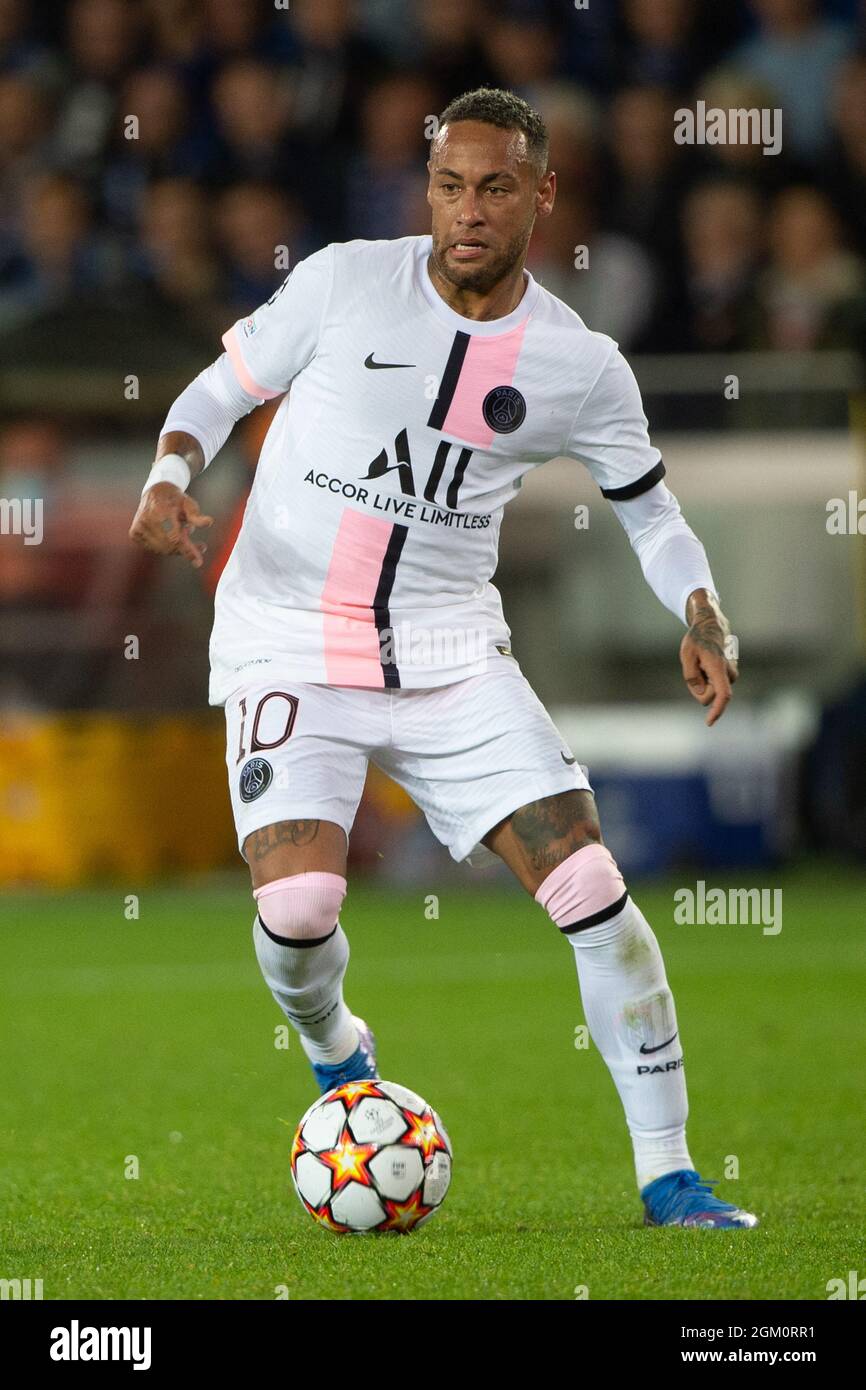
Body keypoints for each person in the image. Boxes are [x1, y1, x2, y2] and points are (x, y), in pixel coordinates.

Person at [128, 87, 755, 1230]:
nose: (467, 210)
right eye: (449, 185)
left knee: (594, 894)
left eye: (495, 187)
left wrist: (701, 609)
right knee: (303, 905)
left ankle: (669, 1175)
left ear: (541, 193)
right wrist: (169, 476)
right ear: (427, 189)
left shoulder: (580, 363)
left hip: (453, 652)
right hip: (289, 639)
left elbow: (651, 511)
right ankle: (338, 1050)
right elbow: (221, 390)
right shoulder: (340, 280)